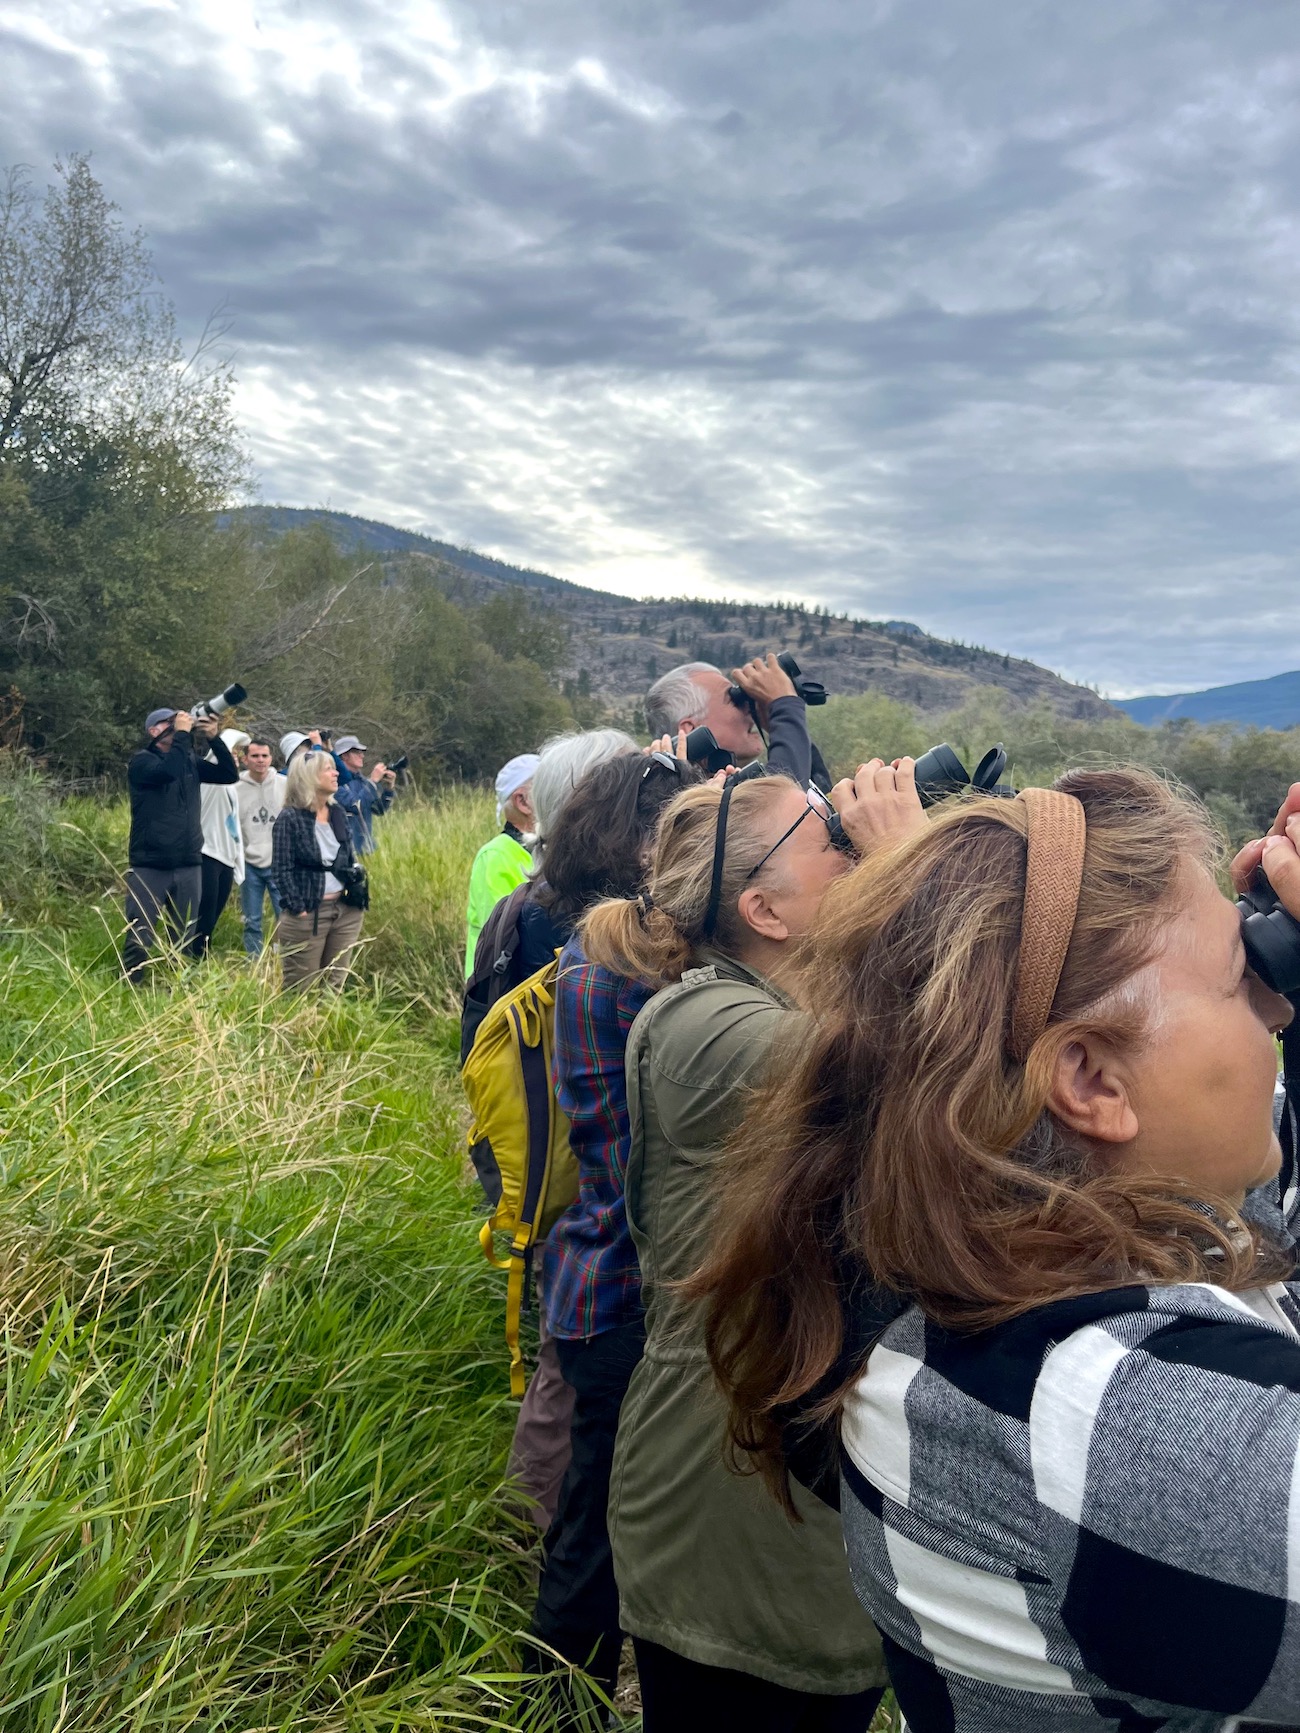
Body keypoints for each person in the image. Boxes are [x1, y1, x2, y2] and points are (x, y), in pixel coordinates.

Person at [695, 767, 1300, 1733]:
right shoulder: (1111, 1418)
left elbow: (1260, 1238)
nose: (1279, 1010)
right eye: (1244, 979)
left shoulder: (945, 1295)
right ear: (1090, 1078)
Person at [575, 761, 925, 1728]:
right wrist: (910, 869)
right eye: (832, 841)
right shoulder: (704, 1024)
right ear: (765, 910)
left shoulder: (798, 1010)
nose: (854, 852)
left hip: (789, 1479)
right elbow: (930, 1069)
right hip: (727, 1508)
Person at [529, 750, 713, 1716]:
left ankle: (562, 1697)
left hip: (597, 1277)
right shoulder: (625, 974)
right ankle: (560, 1703)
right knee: (596, 1531)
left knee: (588, 1521)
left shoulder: (595, 955)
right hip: (625, 1290)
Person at [123, 705, 239, 982]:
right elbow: (168, 771)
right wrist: (185, 734)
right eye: (169, 723)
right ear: (154, 731)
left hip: (188, 863)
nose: (177, 726)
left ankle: (177, 985)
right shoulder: (142, 762)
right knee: (141, 932)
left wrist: (214, 737)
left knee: (185, 934)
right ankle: (132, 985)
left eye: (178, 722)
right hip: (151, 864)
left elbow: (228, 774)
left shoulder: (187, 760)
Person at [271, 750, 366, 991]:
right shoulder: (290, 818)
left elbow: (348, 856)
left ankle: (327, 1028)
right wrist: (298, 908)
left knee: (334, 984)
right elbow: (281, 868)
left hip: (345, 910)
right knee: (300, 988)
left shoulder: (337, 814)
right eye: (329, 769)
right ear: (309, 776)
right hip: (308, 912)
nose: (336, 773)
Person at [645, 654, 819, 785]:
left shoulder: (718, 791)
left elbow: (815, 797)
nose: (750, 709)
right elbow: (784, 803)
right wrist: (784, 704)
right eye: (734, 700)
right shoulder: (688, 807)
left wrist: (778, 724)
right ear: (689, 730)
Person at [464, 753, 540, 976]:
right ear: (523, 801)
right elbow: (503, 936)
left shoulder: (542, 848)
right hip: (497, 994)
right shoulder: (495, 855)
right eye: (547, 788)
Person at [186, 727, 248, 958]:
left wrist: (238, 861)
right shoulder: (210, 784)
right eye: (231, 754)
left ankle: (201, 960)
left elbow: (235, 829)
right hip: (207, 854)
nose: (235, 759)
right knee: (204, 916)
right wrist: (217, 736)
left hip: (227, 857)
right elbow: (226, 745)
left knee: (214, 919)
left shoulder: (231, 788)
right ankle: (192, 960)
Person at [237, 737, 285, 955]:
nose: (260, 760)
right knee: (252, 920)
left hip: (279, 862)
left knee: (285, 917)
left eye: (264, 756)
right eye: (255, 756)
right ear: (245, 759)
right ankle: (253, 963)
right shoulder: (235, 787)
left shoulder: (284, 784)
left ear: (271, 758)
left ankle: (283, 961)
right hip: (249, 862)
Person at [333, 734, 396, 855]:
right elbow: (356, 806)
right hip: (349, 851)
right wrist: (372, 782)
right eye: (357, 752)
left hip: (367, 849)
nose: (362, 755)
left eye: (361, 752)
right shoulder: (336, 782)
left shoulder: (362, 781)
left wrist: (389, 788)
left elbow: (379, 810)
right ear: (345, 755)